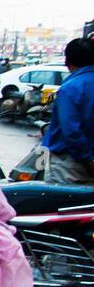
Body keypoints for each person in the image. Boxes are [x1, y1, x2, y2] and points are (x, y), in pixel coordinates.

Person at [40, 37, 94, 185]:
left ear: (67, 61)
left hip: (72, 165)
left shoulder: (71, 88)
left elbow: (71, 131)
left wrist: (88, 161)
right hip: (82, 162)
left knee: (64, 205)